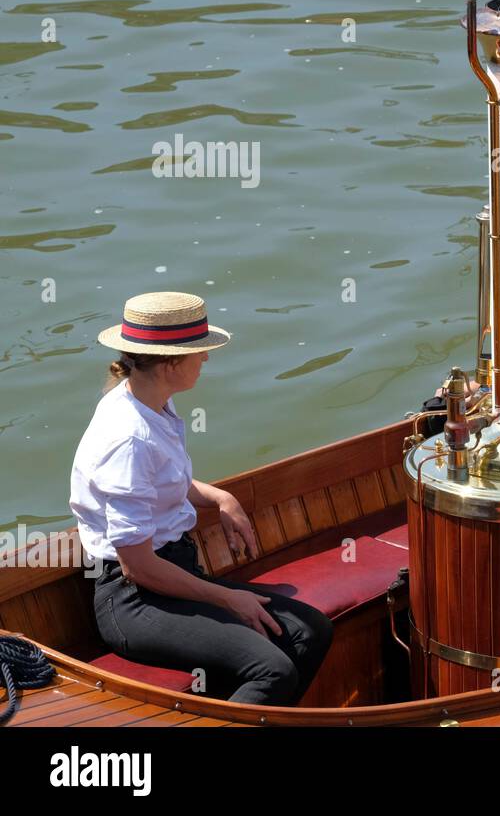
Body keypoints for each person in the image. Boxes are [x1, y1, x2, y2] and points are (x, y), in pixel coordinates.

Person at [70, 292, 332, 705]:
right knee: (272, 669)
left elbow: (161, 482)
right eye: (200, 352)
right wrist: (229, 597)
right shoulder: (128, 438)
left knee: (310, 630)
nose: (206, 360)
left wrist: (218, 497)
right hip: (136, 600)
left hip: (173, 573)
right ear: (171, 363)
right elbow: (137, 567)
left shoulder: (148, 401)